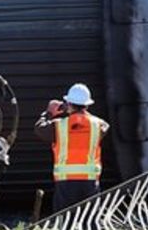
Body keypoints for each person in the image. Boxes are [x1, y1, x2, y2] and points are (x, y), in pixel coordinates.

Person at [34, 83, 109, 212]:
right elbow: (104, 126)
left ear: (68, 103)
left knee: (65, 218)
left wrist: (49, 113)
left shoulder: (58, 126)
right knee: (89, 218)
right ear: (87, 104)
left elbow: (39, 128)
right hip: (90, 182)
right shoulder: (98, 125)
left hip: (65, 183)